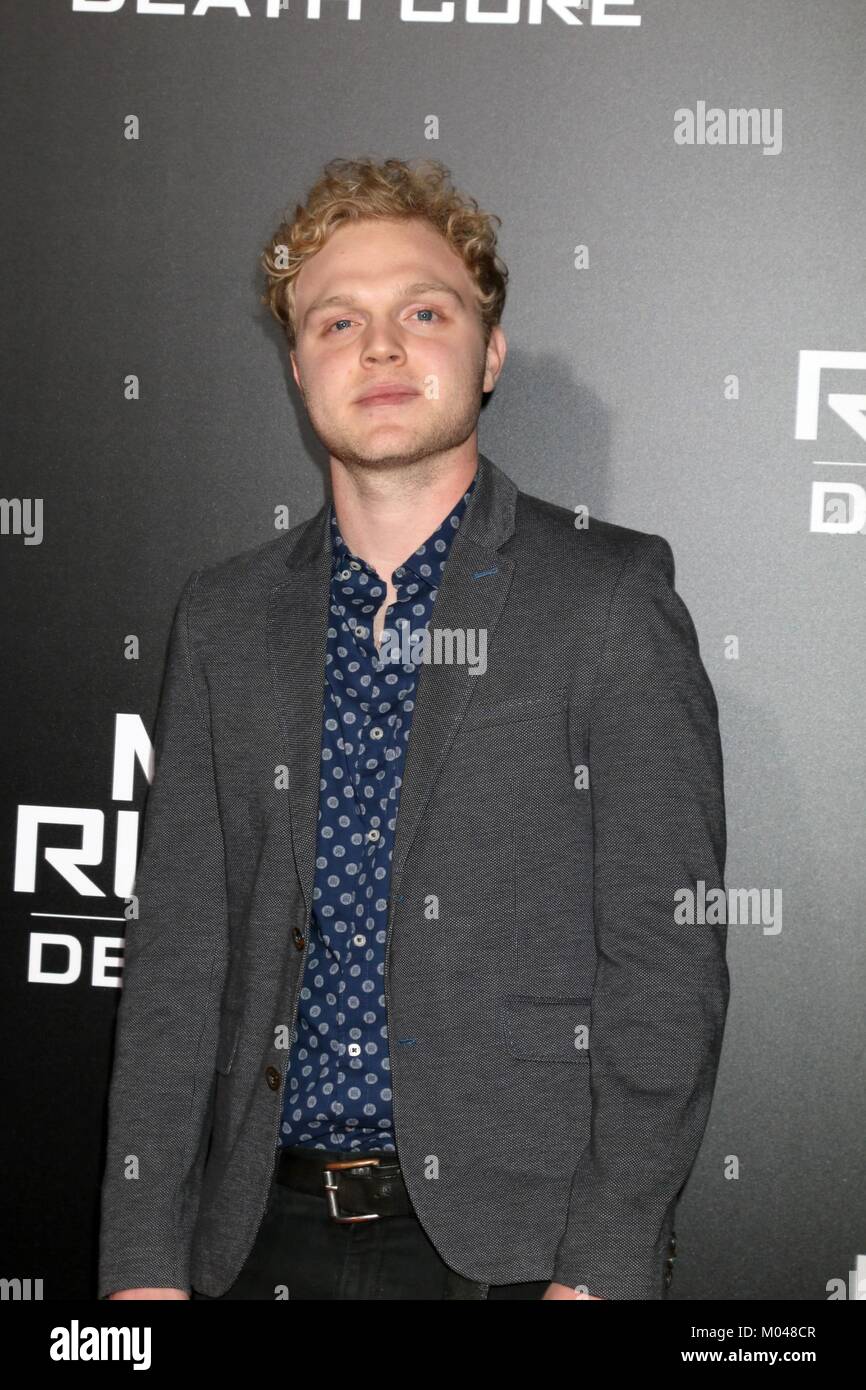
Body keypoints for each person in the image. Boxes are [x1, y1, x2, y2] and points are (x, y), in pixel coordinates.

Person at [99, 156, 729, 1302]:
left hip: (515, 1256)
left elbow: (665, 962)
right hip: (251, 1242)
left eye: (422, 312)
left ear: (486, 353)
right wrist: (143, 1263)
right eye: (336, 320)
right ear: (298, 368)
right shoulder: (225, 617)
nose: (378, 348)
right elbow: (179, 961)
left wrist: (600, 1268)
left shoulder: (608, 596)